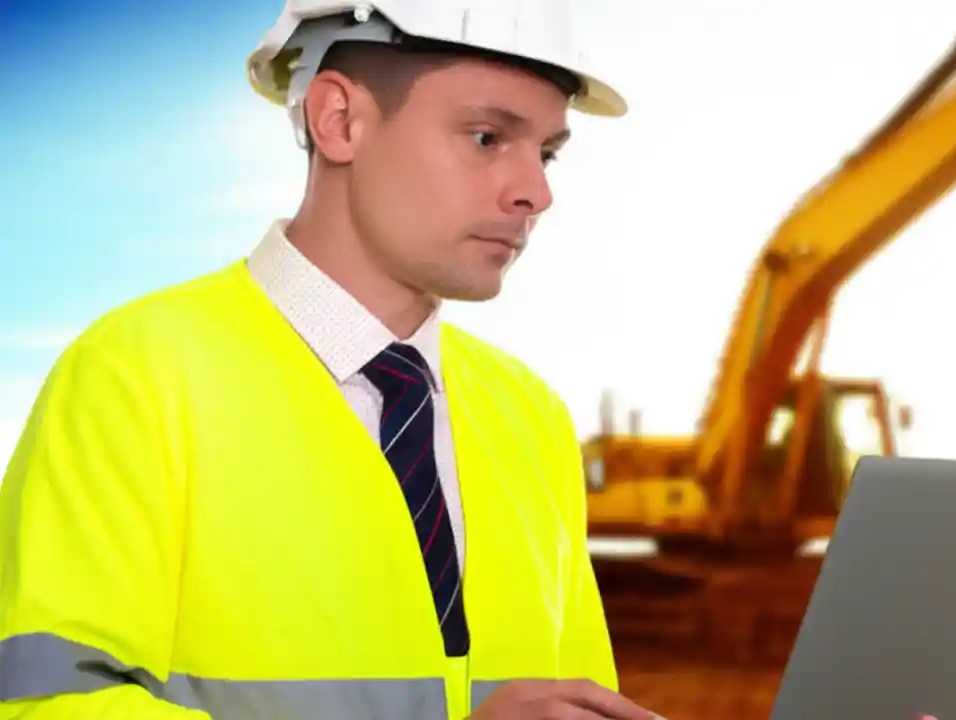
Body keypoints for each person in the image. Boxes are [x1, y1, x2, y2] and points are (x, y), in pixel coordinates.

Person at [0, 1, 664, 718]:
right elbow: (47, 705)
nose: (535, 192)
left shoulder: (531, 416)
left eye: (548, 151)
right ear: (339, 121)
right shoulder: (137, 374)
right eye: (486, 137)